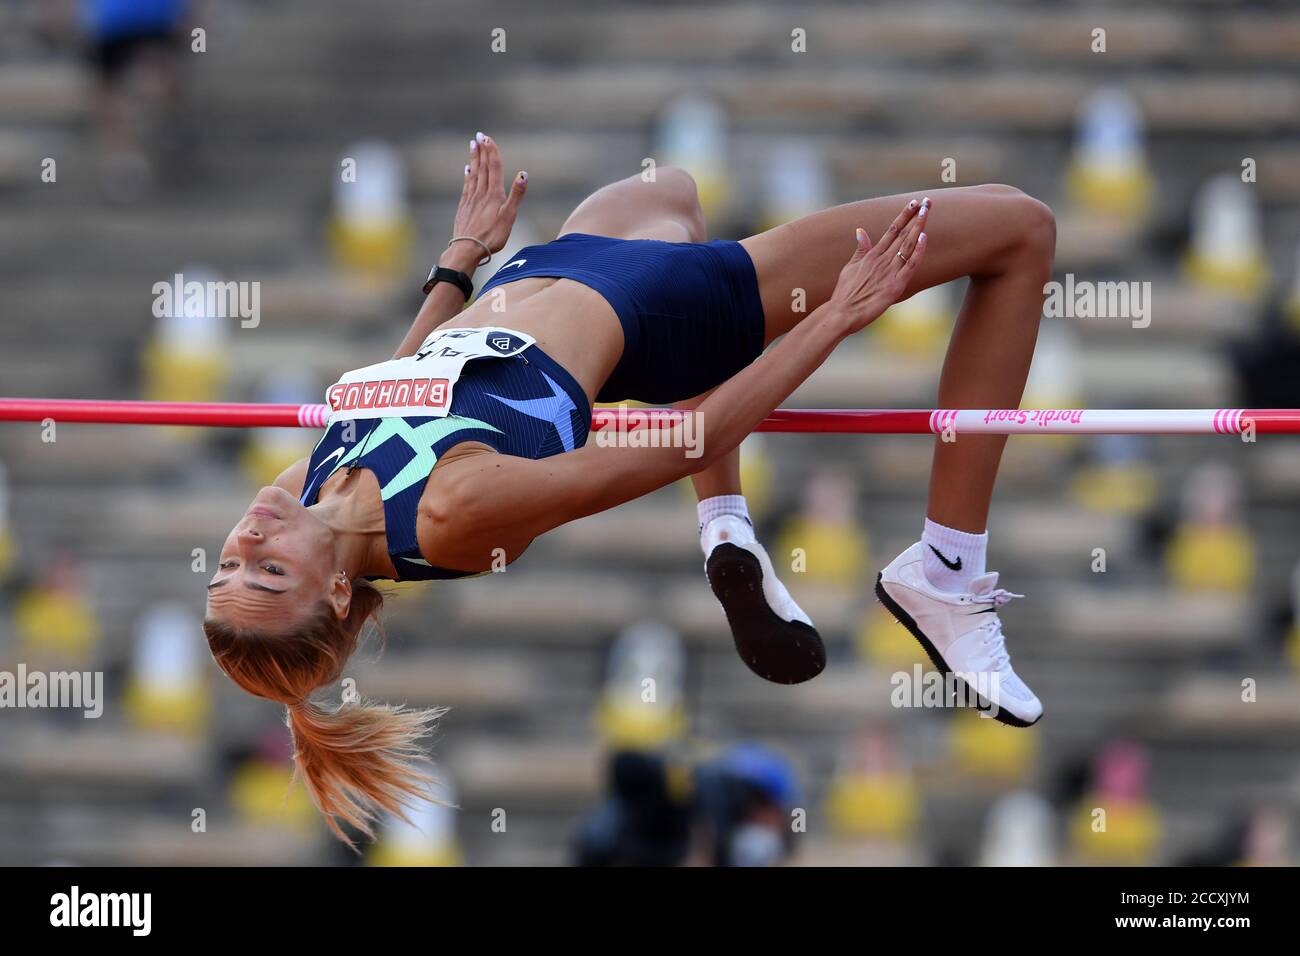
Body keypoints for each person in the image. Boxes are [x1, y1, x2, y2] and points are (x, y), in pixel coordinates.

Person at [204, 133, 1054, 842]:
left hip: (543, 270)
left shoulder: (307, 481)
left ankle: (726, 528)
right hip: (666, 314)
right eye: (269, 573)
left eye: (227, 568)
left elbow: (401, 383)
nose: (246, 545)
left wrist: (459, 261)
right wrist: (836, 317)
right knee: (1020, 230)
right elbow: (692, 438)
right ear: (339, 587)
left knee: (673, 190)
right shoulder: (451, 515)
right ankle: (945, 568)